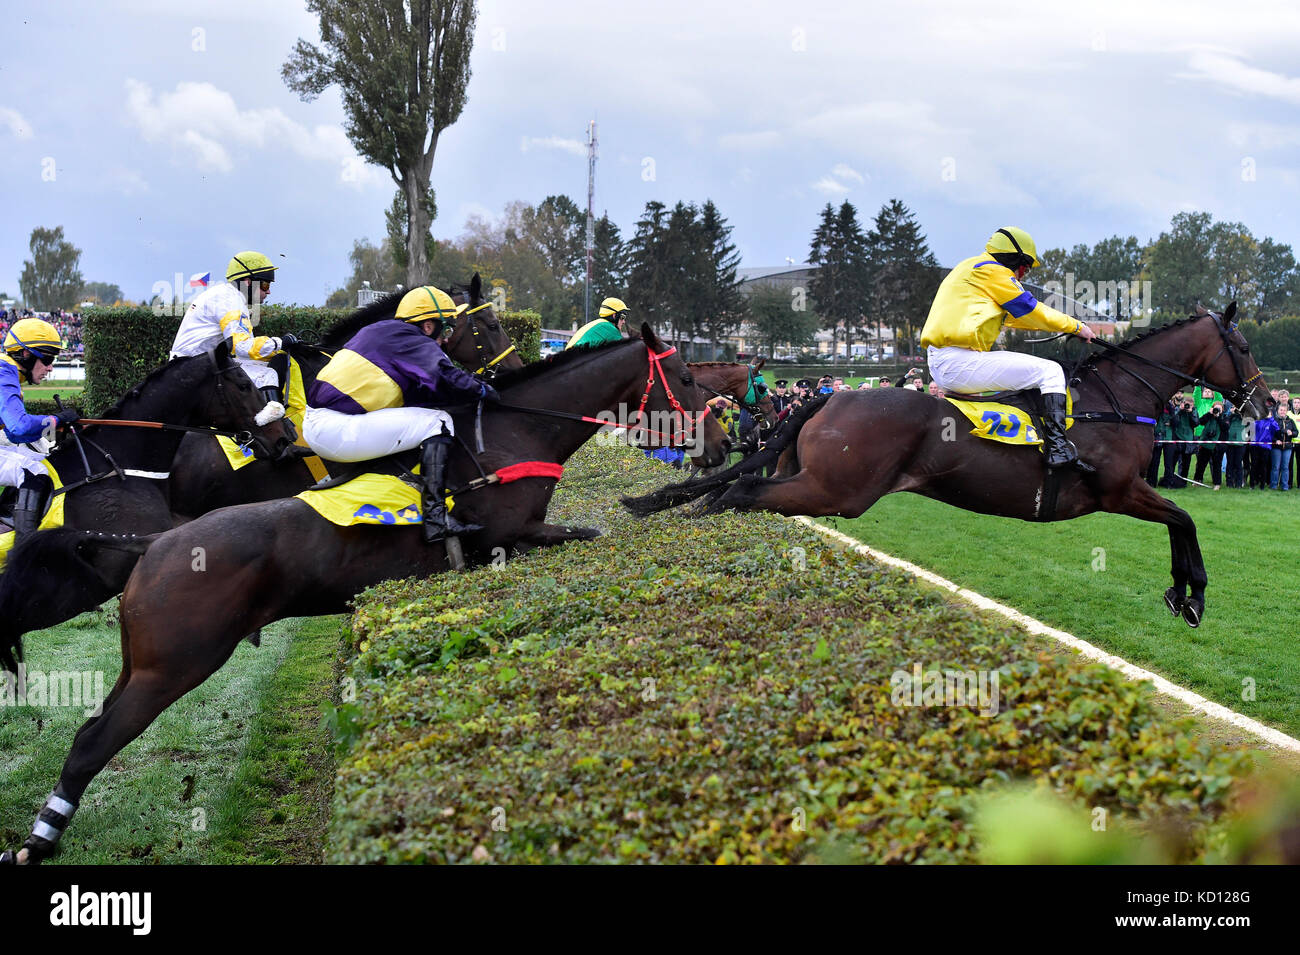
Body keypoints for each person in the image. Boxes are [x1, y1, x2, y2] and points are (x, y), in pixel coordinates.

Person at [303, 285, 499, 543]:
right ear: (429, 326)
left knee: (425, 418)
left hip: (323, 424)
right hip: (337, 430)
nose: (447, 338)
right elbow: (446, 377)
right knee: (438, 423)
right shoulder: (413, 340)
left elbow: (425, 393)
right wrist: (484, 390)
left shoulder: (381, 332)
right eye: (447, 328)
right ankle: (436, 520)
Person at [920, 227, 1097, 470]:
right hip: (959, 362)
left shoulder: (972, 267)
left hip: (948, 360)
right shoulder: (992, 270)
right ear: (1014, 258)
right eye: (1025, 267)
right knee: (1051, 372)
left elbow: (1018, 318)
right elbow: (1030, 307)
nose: (1023, 275)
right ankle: (1057, 449)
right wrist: (1077, 326)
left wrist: (1064, 327)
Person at [170, 251, 292, 430]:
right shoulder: (231, 300)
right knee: (267, 375)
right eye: (265, 284)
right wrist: (280, 343)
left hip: (192, 364)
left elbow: (238, 349)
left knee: (262, 368)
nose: (268, 291)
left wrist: (273, 350)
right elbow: (243, 346)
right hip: (194, 369)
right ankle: (271, 432)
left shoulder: (226, 295)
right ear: (247, 282)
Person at [1, 318, 79, 540]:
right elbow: (19, 426)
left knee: (43, 460)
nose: (50, 367)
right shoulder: (3, 371)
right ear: (25, 355)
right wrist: (55, 420)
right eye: (47, 358)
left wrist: (55, 427)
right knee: (34, 472)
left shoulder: (9, 374)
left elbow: (14, 433)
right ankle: (25, 548)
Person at [1193, 401, 1225, 490]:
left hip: (1217, 445)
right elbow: (1201, 422)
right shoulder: (1209, 416)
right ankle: (1197, 480)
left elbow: (1225, 427)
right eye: (1215, 408)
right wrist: (1209, 413)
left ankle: (1217, 483)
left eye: (1219, 408)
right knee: (1201, 463)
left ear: (1222, 410)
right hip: (1205, 443)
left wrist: (1218, 417)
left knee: (1216, 465)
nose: (1217, 410)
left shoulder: (1224, 417)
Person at [1268, 401, 1297, 490]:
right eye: (1281, 410)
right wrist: (1276, 440)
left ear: (1286, 411)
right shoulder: (1274, 421)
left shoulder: (1290, 421)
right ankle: (1273, 485)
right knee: (1276, 466)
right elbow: (1269, 434)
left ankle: (1284, 486)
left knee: (1285, 467)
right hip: (1276, 447)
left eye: (1284, 410)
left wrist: (1291, 432)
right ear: (1277, 410)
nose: (1282, 412)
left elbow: (1296, 432)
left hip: (1287, 447)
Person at [1223, 401, 1245, 488]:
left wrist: (1240, 413)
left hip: (1240, 442)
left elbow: (1247, 422)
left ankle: (1239, 483)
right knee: (1230, 463)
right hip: (1230, 441)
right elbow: (1226, 422)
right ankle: (1229, 483)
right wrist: (1231, 413)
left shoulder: (1244, 414)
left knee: (1238, 463)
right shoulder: (1229, 414)